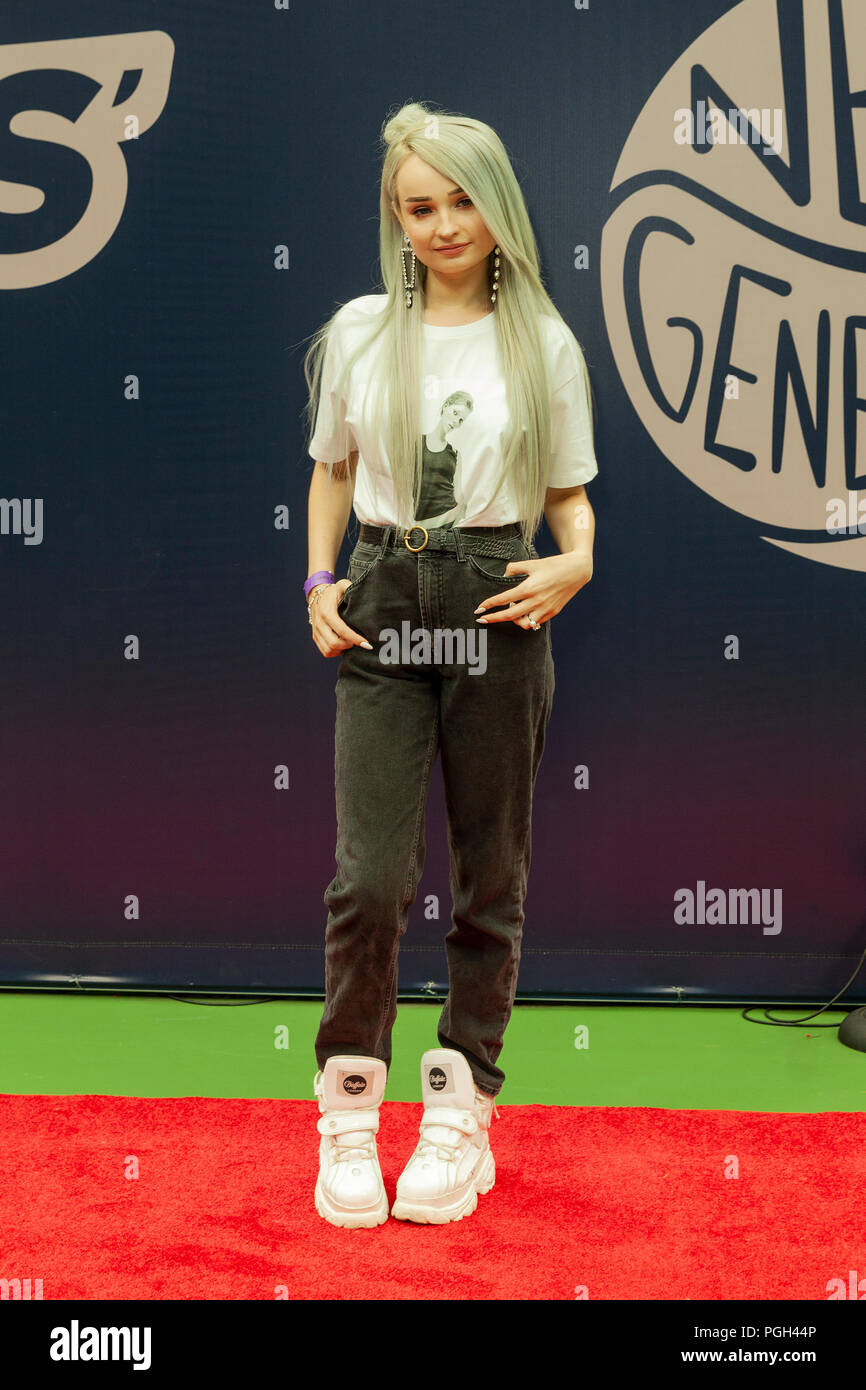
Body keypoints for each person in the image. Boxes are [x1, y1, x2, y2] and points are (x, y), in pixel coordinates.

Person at [301, 100, 598, 1229]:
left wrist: (574, 563)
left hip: (499, 607)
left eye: (462, 199)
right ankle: (344, 1106)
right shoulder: (360, 329)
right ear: (393, 215)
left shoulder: (545, 342)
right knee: (367, 878)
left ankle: (460, 1109)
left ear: (497, 202)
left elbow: (569, 499)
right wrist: (319, 582)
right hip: (381, 601)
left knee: (490, 877)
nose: (442, 224)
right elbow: (332, 467)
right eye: (418, 206)